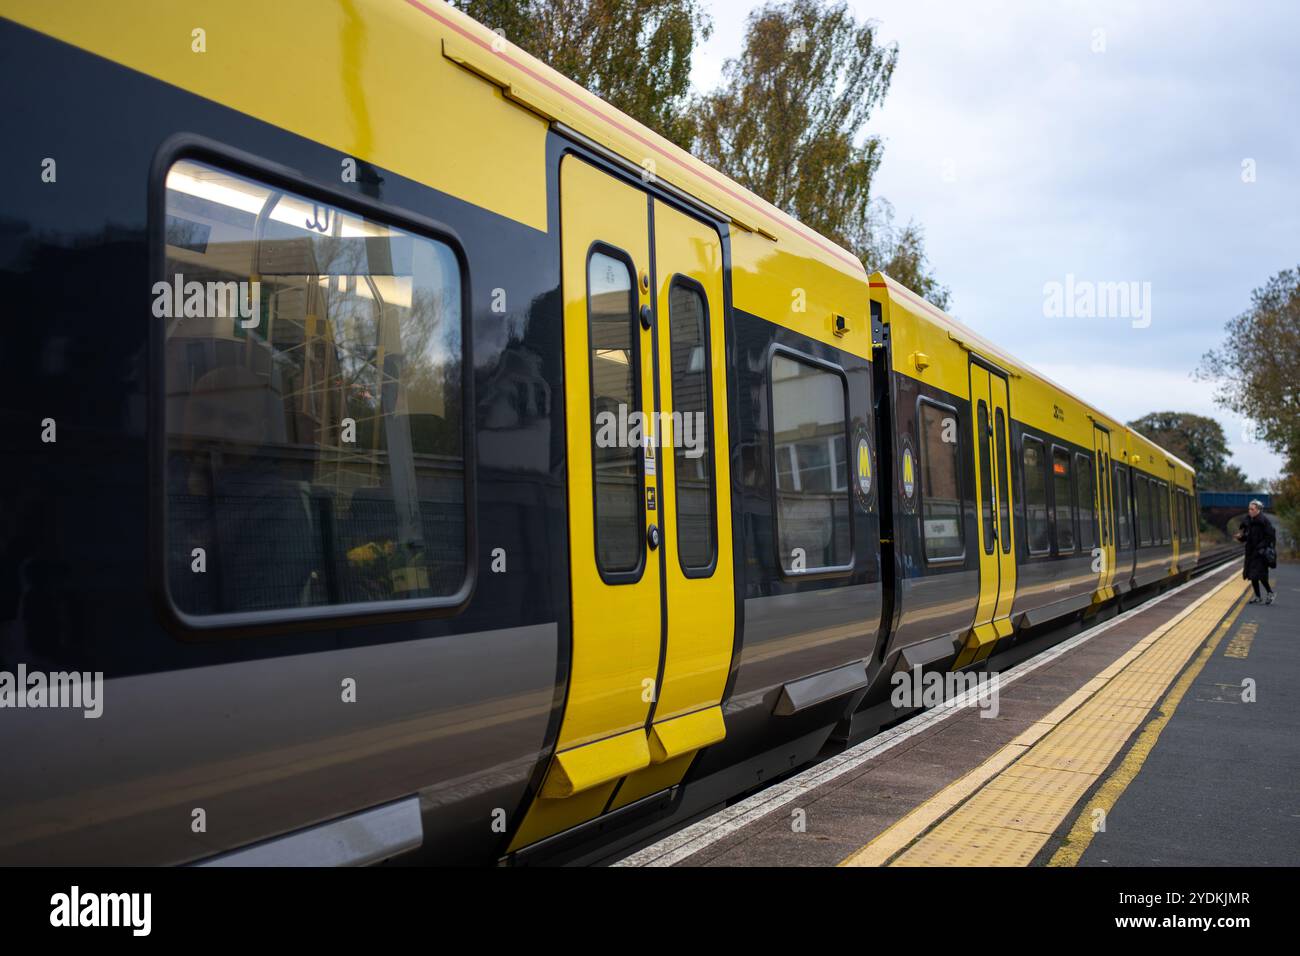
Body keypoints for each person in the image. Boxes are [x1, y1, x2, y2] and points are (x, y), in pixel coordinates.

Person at [1236, 500, 1277, 605]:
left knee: (1260, 575)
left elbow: (1270, 536)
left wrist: (1260, 547)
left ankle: (1270, 593)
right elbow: (1247, 537)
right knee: (1252, 575)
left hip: (1260, 552)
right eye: (1249, 509)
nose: (1250, 511)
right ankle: (1258, 596)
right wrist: (1241, 537)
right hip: (1250, 552)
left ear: (1258, 510)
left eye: (1252, 509)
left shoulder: (1264, 521)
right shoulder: (1249, 521)